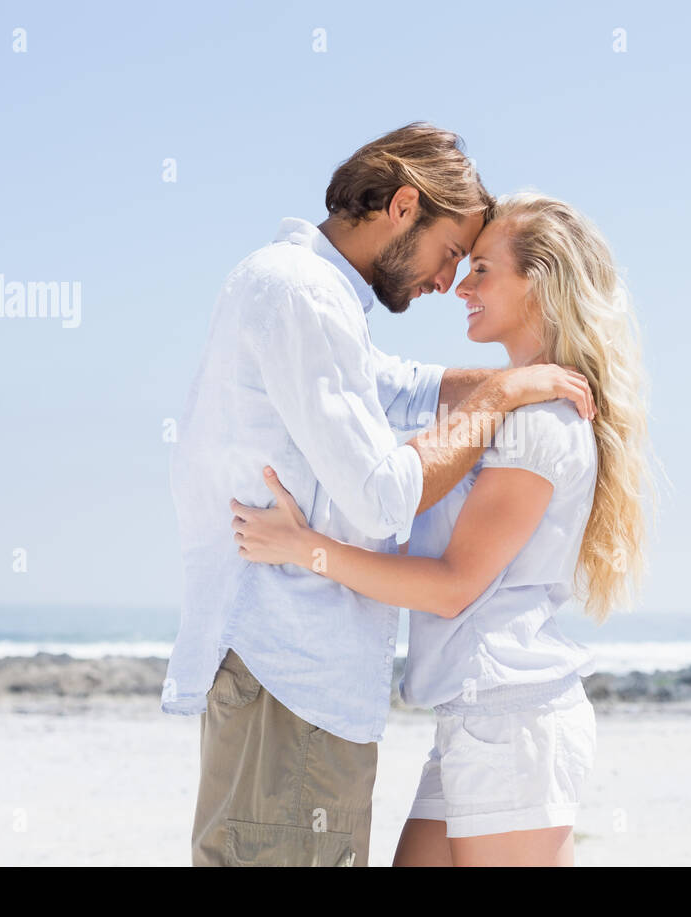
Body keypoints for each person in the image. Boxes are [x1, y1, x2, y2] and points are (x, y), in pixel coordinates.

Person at [162, 123, 597, 867]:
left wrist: (520, 382)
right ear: (403, 207)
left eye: (473, 265)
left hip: (303, 681)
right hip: (291, 671)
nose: (446, 280)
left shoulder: (308, 292)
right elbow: (383, 497)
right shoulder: (301, 292)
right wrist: (501, 393)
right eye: (452, 254)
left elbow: (400, 388)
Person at [231, 191, 652, 866]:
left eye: (482, 268)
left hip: (511, 718)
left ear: (538, 282)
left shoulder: (538, 426)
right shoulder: (508, 411)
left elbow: (452, 585)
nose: (460, 287)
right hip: (479, 716)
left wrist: (303, 549)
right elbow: (382, 409)